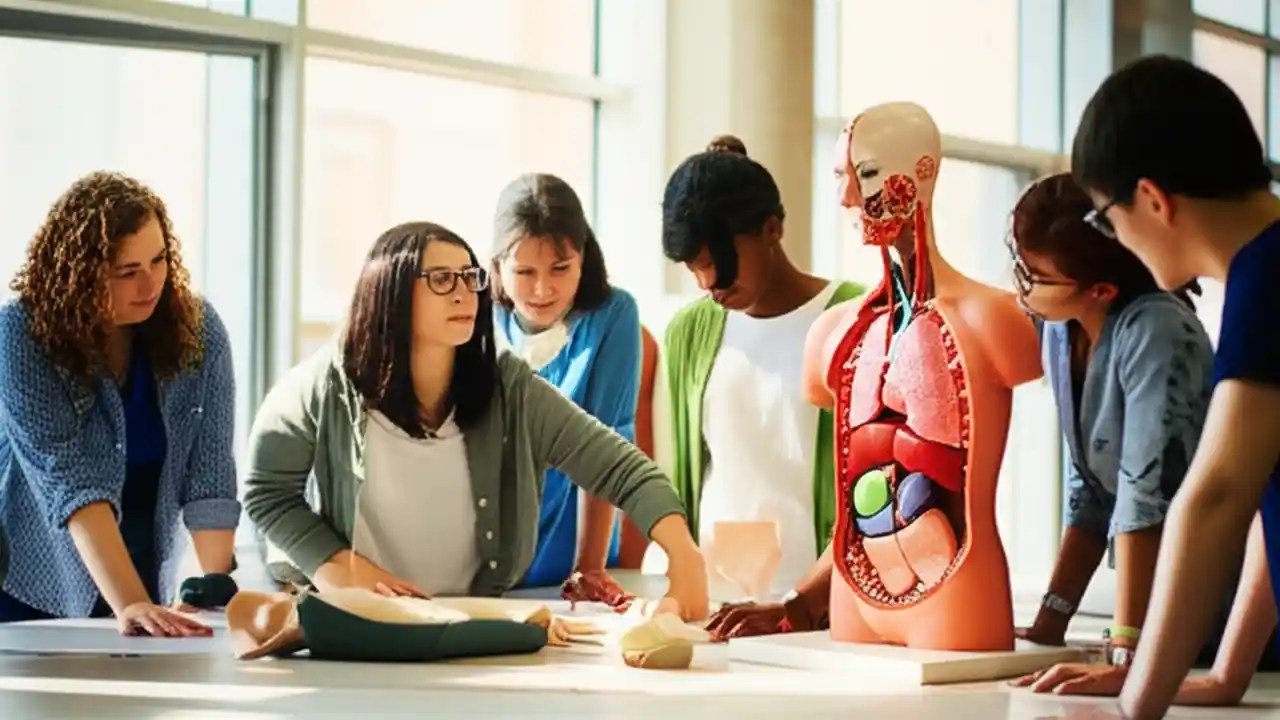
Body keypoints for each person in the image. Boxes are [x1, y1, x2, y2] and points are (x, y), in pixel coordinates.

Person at [244, 221, 708, 619]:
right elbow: (267, 492)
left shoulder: (510, 389)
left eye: (469, 277)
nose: (465, 292)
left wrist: (685, 560)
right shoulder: (322, 386)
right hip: (355, 629)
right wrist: (339, 569)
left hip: (473, 627)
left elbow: (622, 470)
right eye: (442, 279)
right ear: (389, 291)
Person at [1028, 55, 1280, 719]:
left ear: (1153, 199)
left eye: (1105, 218)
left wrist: (1138, 702)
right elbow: (1268, 497)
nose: (1112, 238)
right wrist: (1225, 675)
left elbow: (1216, 494)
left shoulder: (1270, 276)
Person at [0, 171, 239, 636]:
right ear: (78, 276)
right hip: (31, 587)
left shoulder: (200, 331)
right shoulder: (19, 335)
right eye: (127, 272)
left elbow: (209, 473)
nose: (151, 284)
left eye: (159, 260)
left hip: (143, 582)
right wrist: (130, 603)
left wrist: (216, 590)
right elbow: (70, 481)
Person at [1003, 172, 1213, 656]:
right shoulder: (1062, 328)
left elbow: (1146, 495)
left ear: (1101, 290)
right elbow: (1092, 494)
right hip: (1152, 612)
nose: (1019, 286)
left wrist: (1128, 651)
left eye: (1034, 276)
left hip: (1212, 607)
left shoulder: (1157, 332)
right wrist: (1048, 624)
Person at [651, 136, 864, 603]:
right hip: (713, 604)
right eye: (696, 267)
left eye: (719, 263)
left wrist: (805, 604)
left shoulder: (855, 318)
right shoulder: (689, 330)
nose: (710, 283)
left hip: (822, 604)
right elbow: (681, 475)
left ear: (772, 230)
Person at [490, 173, 638, 600]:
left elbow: (608, 445)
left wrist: (587, 569)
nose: (542, 289)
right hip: (479, 557)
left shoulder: (613, 315)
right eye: (524, 271)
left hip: (568, 560)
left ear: (583, 258)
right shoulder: (475, 316)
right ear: (498, 265)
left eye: (560, 269)